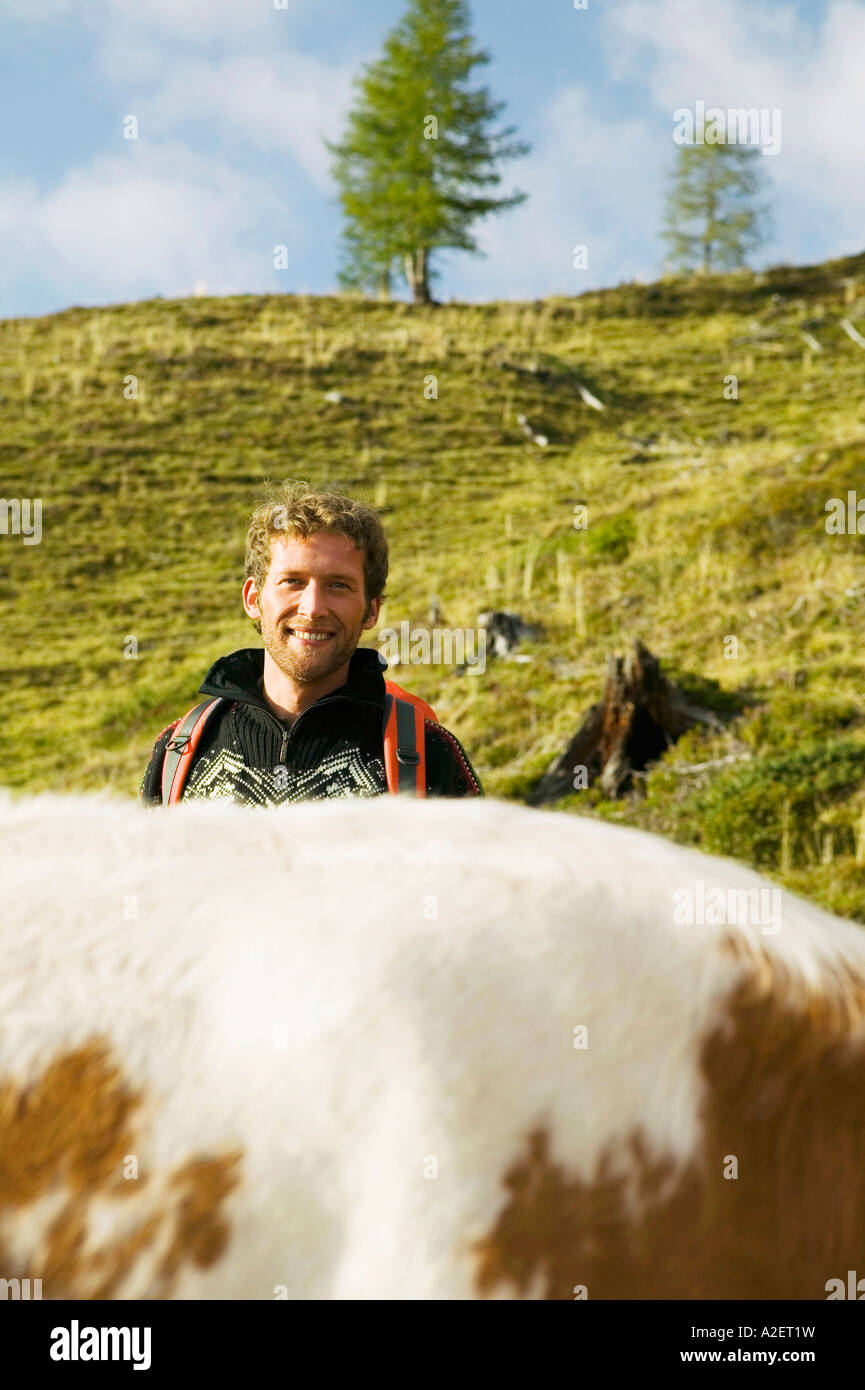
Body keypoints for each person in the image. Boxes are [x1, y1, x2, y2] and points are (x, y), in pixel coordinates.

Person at [139, 481, 483, 806]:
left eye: (338, 585)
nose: (313, 608)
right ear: (253, 599)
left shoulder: (427, 752)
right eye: (292, 581)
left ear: (371, 610)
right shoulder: (179, 751)